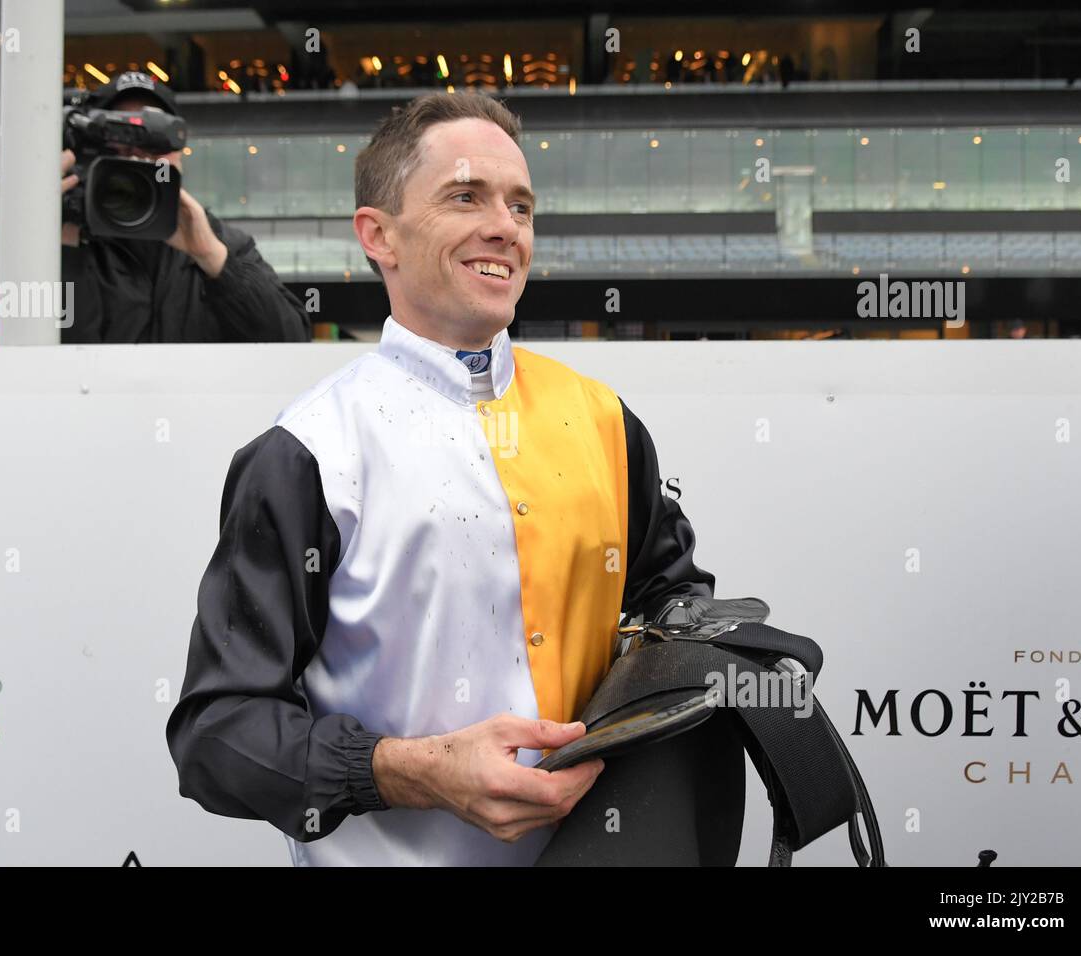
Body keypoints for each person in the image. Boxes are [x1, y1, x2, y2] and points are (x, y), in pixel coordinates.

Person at [166, 91, 715, 866]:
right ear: (377, 234)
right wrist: (412, 772)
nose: (505, 227)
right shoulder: (310, 452)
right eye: (467, 197)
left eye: (521, 206)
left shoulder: (606, 421)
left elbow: (671, 598)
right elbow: (216, 735)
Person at [59, 71, 308, 343]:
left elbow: (291, 338)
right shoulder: (67, 238)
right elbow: (41, 360)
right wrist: (63, 246)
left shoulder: (225, 244)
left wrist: (214, 260)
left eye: (153, 139)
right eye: (120, 140)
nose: (137, 156)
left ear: (177, 153)